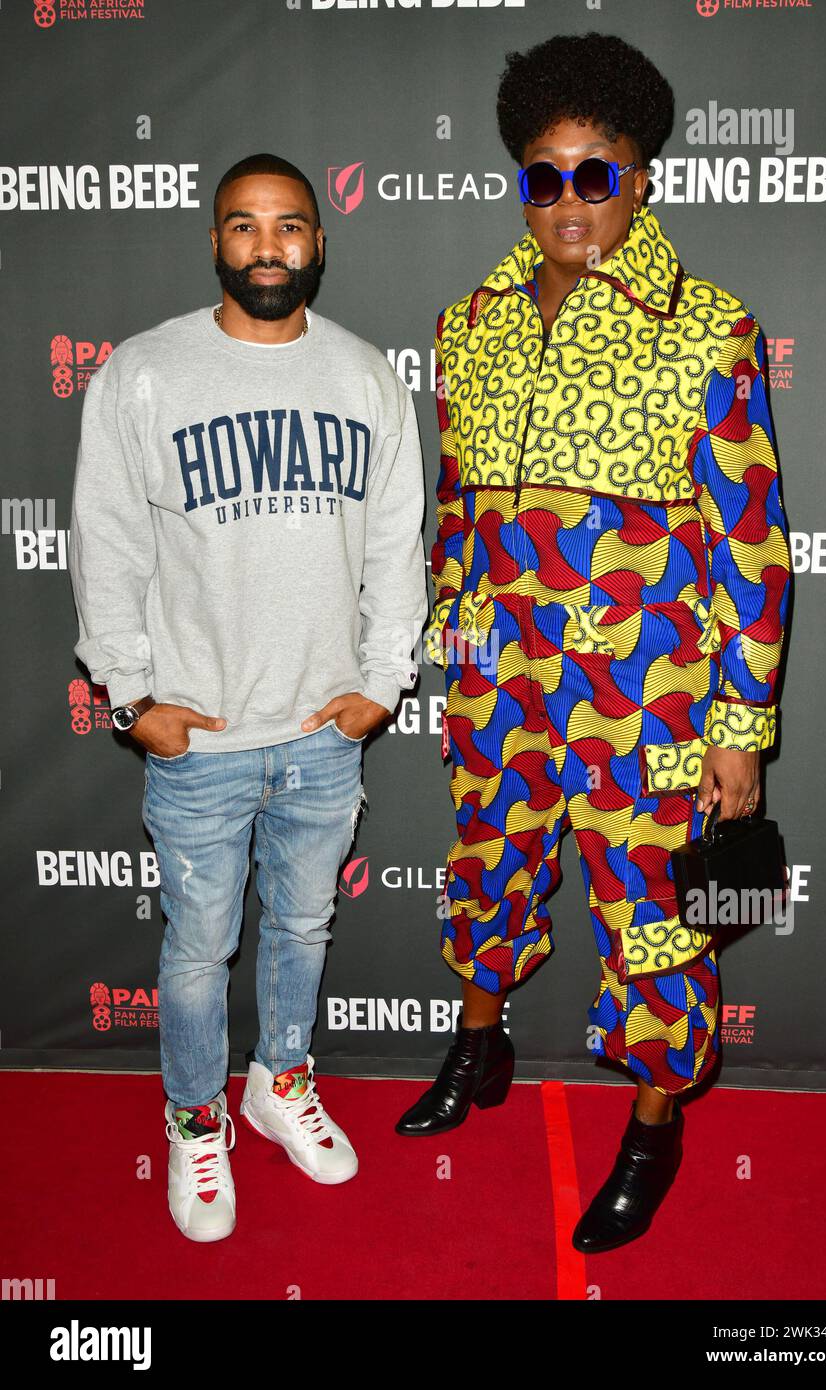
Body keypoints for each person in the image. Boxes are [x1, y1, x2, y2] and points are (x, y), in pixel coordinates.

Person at [395, 33, 791, 1255]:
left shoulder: (709, 327)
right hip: (499, 677)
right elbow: (456, 504)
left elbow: (754, 539)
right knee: (489, 867)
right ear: (523, 181)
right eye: (545, 175)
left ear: (641, 178)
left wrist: (741, 726)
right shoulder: (472, 324)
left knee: (660, 921)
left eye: (595, 173)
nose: (569, 201)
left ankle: (657, 1122)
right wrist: (453, 646)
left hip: (650, 691)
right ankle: (482, 1039)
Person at [68, 153, 428, 1243]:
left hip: (324, 734)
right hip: (204, 736)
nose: (267, 244)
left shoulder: (367, 376)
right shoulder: (143, 373)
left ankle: (279, 1080)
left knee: (306, 927)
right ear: (216, 242)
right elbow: (108, 542)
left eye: (288, 225)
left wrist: (383, 680)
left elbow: (397, 545)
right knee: (195, 948)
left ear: (319, 241)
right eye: (243, 225)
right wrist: (131, 695)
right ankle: (193, 1117)